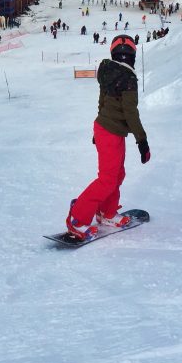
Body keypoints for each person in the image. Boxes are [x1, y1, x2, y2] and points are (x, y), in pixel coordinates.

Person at [65, 35, 152, 241]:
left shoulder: (107, 71)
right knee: (107, 179)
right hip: (110, 132)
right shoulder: (128, 79)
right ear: (132, 56)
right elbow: (131, 113)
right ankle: (77, 218)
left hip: (107, 130)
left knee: (117, 175)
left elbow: (102, 102)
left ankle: (107, 212)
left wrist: (99, 129)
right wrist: (142, 141)